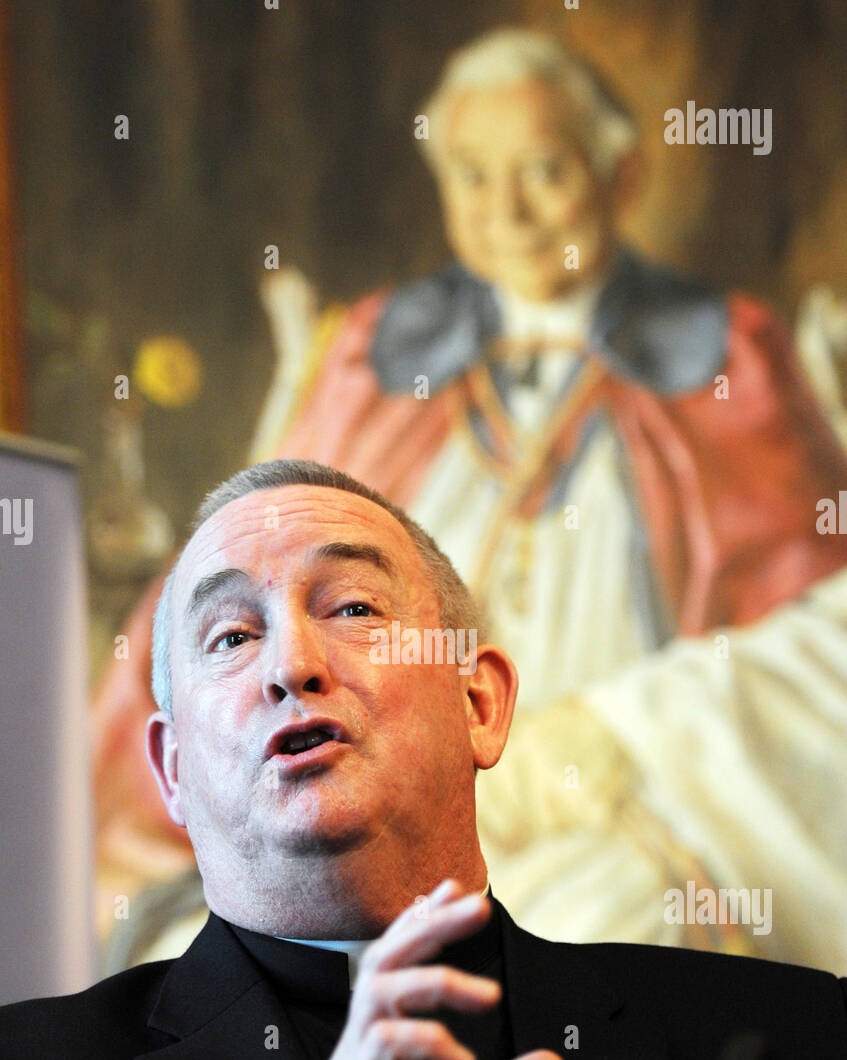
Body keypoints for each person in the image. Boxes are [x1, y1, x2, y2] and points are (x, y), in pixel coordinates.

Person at [91, 28, 847, 970]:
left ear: (622, 180)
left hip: (613, 808)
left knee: (596, 930)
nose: (509, 213)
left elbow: (811, 644)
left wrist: (615, 742)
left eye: (544, 172)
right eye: (473, 177)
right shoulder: (376, 353)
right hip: (370, 808)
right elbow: (246, 561)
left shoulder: (727, 356)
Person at [1, 458, 846, 1060]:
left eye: (354, 608)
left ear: (479, 705)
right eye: (231, 636)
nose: (292, 665)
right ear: (172, 768)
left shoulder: (790, 1044)